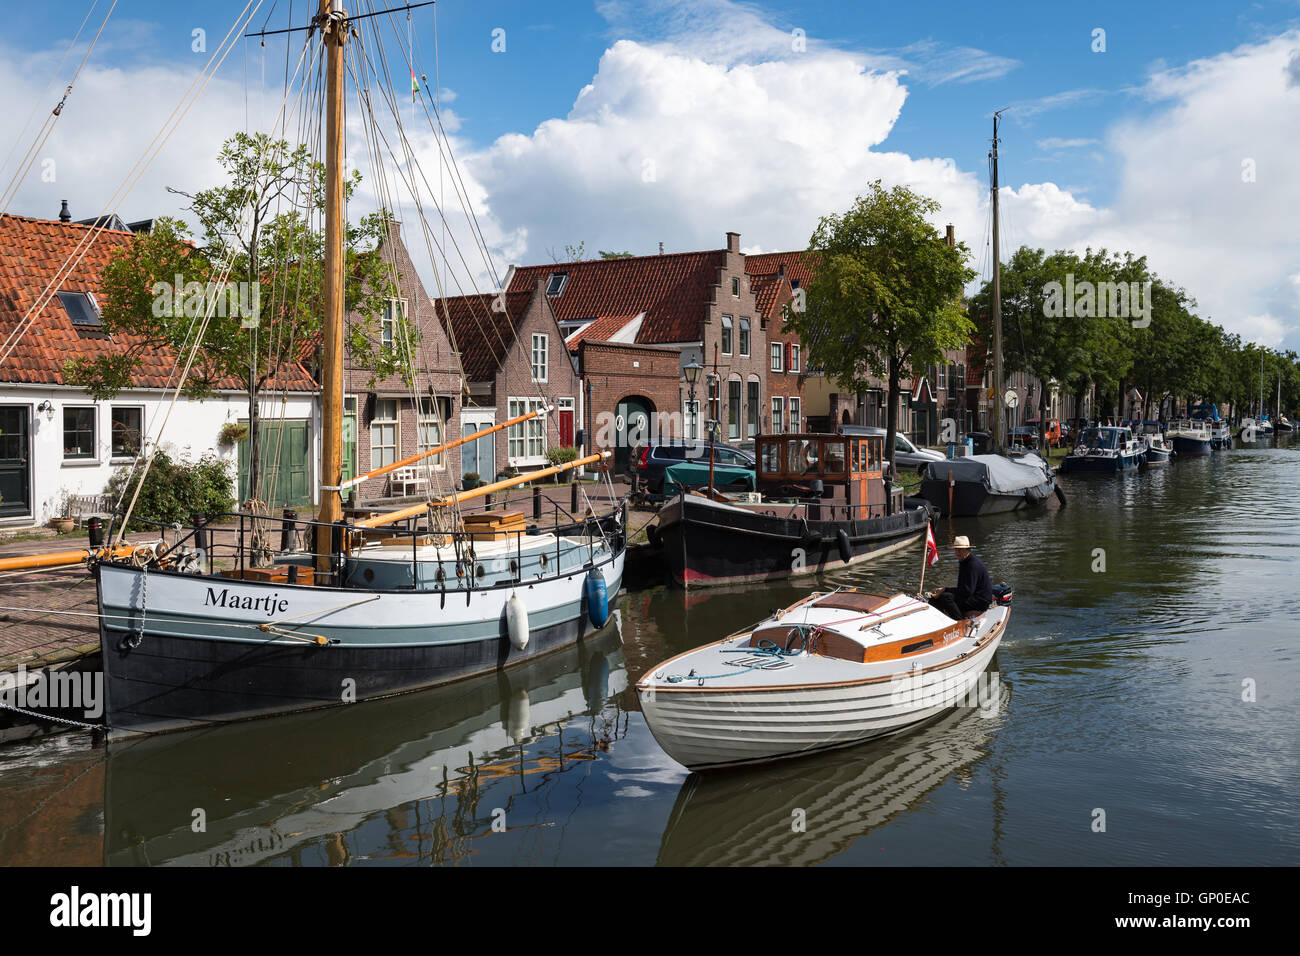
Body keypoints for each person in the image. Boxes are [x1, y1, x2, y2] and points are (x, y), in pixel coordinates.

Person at [929, 535, 993, 620]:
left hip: (980, 600)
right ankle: (943, 621)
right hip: (971, 596)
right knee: (933, 600)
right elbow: (963, 589)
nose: (957, 552)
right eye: (956, 549)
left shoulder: (973, 565)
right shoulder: (964, 562)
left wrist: (945, 589)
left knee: (946, 597)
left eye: (960, 550)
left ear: (968, 550)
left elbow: (967, 591)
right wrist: (944, 590)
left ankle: (959, 623)